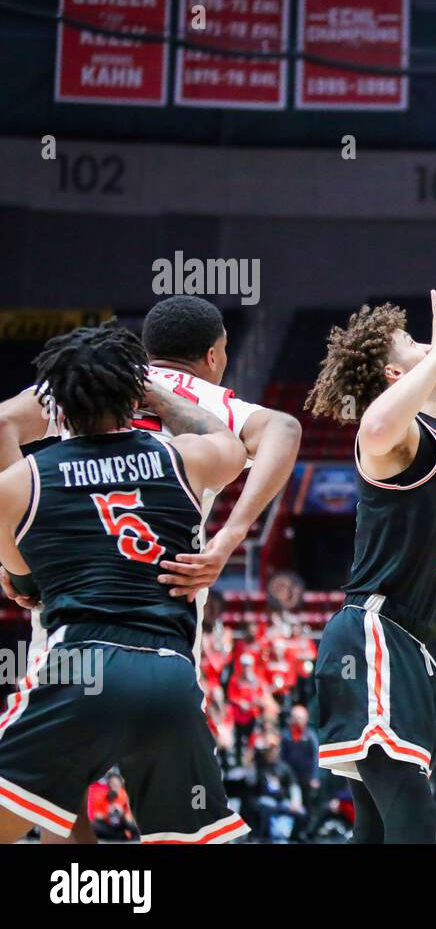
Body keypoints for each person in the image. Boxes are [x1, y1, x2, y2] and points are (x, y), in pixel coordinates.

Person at [0, 294, 302, 843]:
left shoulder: (74, 382)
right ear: (215, 355)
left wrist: (23, 540)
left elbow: (1, 422)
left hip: (74, 626)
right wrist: (230, 538)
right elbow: (282, 430)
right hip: (166, 633)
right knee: (176, 819)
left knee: (52, 794)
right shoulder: (199, 426)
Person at [305, 163, 436, 844]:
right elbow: (375, 424)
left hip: (401, 638)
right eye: (412, 344)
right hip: (373, 633)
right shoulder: (388, 436)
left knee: (378, 825)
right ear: (394, 374)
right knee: (412, 812)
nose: (429, 345)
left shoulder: (432, 419)